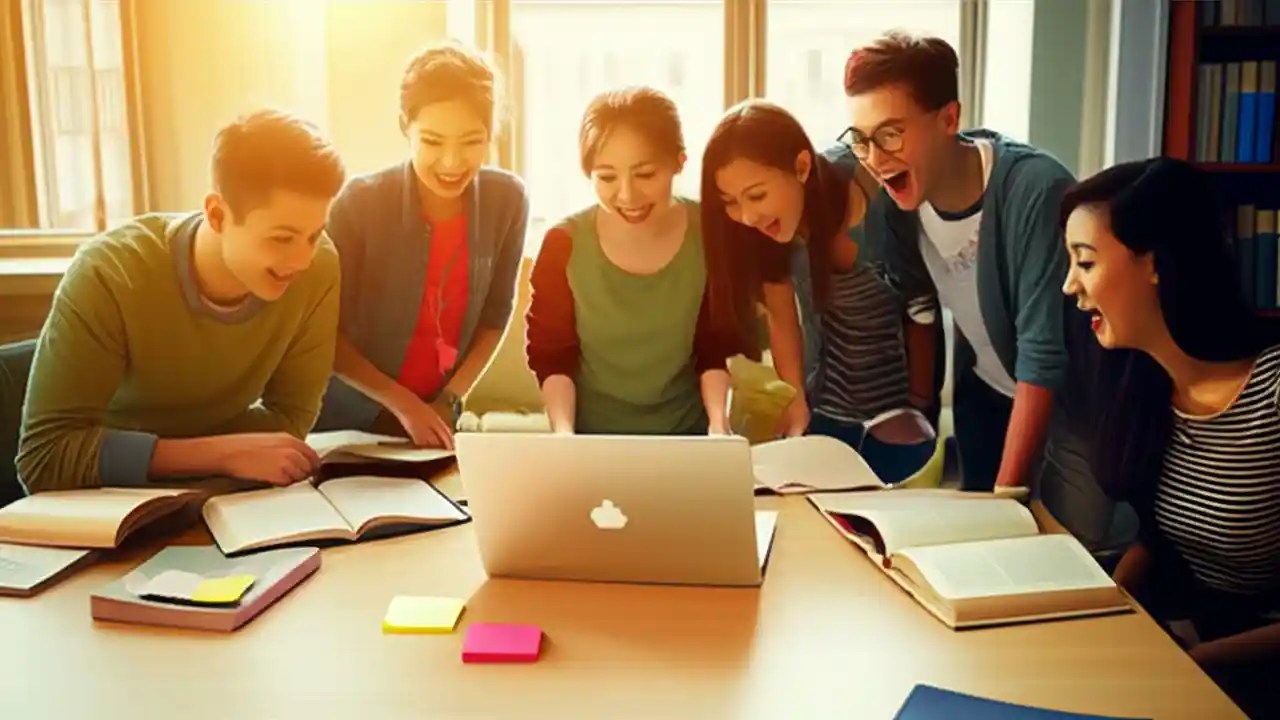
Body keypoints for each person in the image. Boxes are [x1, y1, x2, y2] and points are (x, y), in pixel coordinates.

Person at [843, 31, 1126, 549]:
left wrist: (1005, 498)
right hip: (990, 400)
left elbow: (1043, 355)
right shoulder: (895, 197)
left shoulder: (1033, 189)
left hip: (1074, 409)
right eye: (861, 138)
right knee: (978, 560)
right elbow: (916, 303)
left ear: (949, 119)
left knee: (1058, 558)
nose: (875, 157)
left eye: (890, 133)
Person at [17, 110, 345, 493]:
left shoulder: (319, 266)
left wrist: (229, 456)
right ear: (218, 214)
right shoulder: (111, 273)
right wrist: (221, 454)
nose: (302, 260)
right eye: (281, 238)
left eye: (313, 235)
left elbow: (290, 420)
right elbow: (43, 457)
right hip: (110, 503)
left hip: (215, 500)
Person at [1061, 157, 1280, 720]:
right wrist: (1111, 602)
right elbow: (1161, 536)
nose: (1071, 286)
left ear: (1154, 264)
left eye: (1085, 261)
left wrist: (1199, 659)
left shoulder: (1272, 392)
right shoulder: (1140, 380)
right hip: (1187, 637)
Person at [700, 99, 939, 482]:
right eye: (730, 202)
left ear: (801, 167)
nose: (746, 216)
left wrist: (919, 405)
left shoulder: (877, 191)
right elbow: (782, 317)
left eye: (756, 196)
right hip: (828, 406)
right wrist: (795, 399)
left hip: (899, 412)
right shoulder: (761, 231)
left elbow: (921, 308)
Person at [317, 41, 529, 449]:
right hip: (346, 417)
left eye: (471, 141)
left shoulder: (508, 201)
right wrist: (404, 405)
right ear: (405, 127)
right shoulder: (359, 203)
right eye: (432, 141)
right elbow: (324, 335)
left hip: (437, 415)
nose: (452, 162)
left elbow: (494, 317)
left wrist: (450, 399)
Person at [525, 86, 738, 435]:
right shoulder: (563, 244)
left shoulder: (712, 234)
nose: (627, 195)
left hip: (689, 441)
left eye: (645, 174)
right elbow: (553, 359)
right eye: (607, 177)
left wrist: (719, 425)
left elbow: (713, 348)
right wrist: (563, 434)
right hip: (592, 443)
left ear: (679, 162)